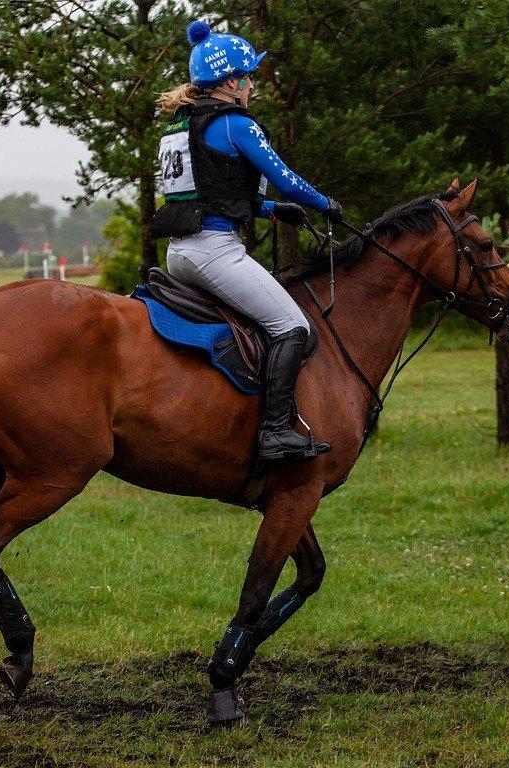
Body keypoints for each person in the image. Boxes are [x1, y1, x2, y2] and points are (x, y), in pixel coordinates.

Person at [153, 20, 343, 461]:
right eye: (249, 76)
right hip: (214, 252)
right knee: (293, 326)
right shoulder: (236, 123)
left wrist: (273, 211)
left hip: (180, 253)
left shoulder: (182, 126)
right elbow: (287, 180)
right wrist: (323, 203)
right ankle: (275, 431)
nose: (253, 85)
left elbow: (211, 193)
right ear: (233, 82)